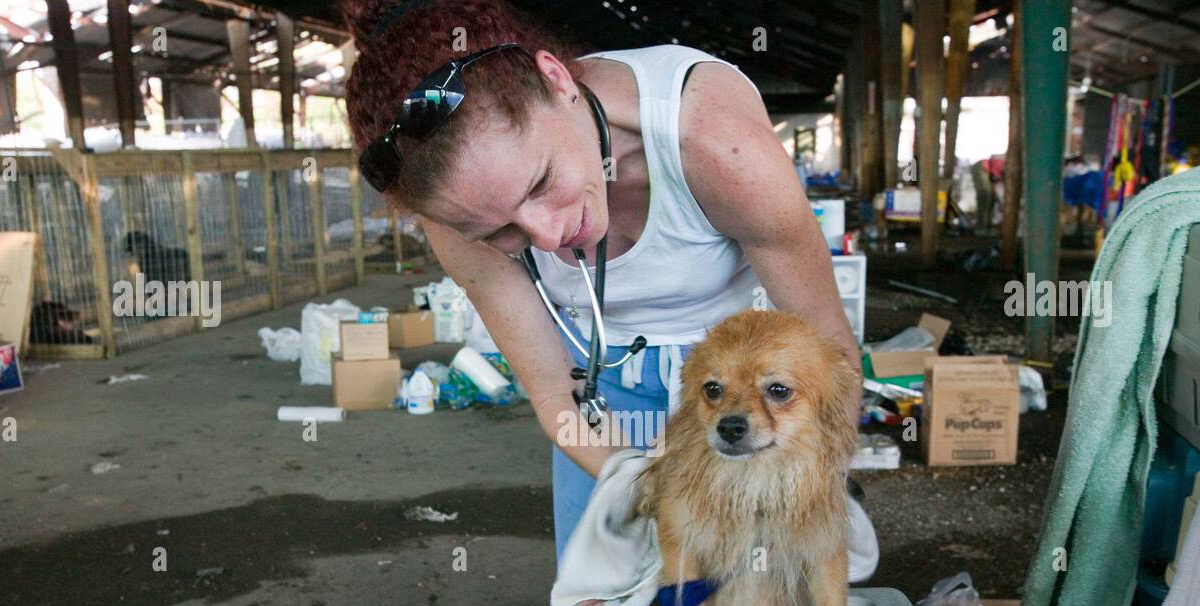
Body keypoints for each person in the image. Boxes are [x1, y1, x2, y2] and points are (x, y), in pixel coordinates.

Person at [344, 0, 859, 563]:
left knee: (761, 596)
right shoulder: (456, 213)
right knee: (609, 593)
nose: (546, 236)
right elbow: (552, 390)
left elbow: (829, 352)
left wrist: (807, 478)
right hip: (598, 380)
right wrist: (644, 491)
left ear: (558, 79)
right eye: (500, 231)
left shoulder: (713, 144)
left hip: (749, 380)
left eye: (541, 183)